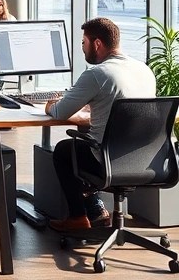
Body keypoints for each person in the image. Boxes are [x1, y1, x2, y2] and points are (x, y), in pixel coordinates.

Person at [46, 18, 156, 232]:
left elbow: (59, 113)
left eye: (83, 42)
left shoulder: (97, 74)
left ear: (97, 44)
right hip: (144, 159)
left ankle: (78, 217)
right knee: (85, 143)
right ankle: (96, 211)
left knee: (63, 150)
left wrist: (49, 105)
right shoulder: (144, 70)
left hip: (107, 160)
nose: (83, 48)